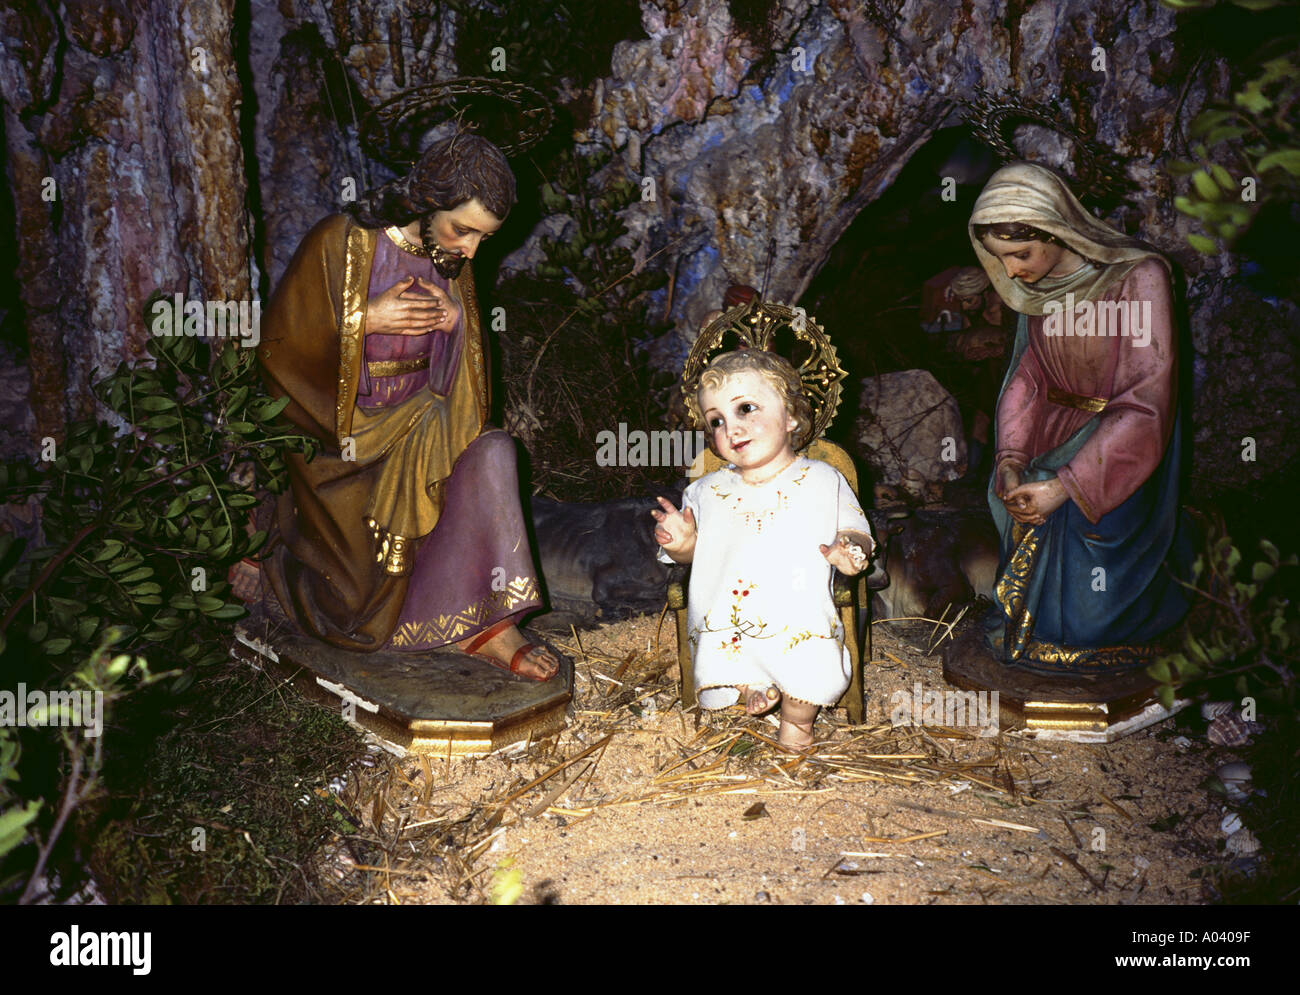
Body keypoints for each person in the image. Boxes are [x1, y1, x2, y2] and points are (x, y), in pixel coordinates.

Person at [257, 132, 558, 680]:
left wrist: (456, 324)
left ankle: (490, 626)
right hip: (341, 439)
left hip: (424, 420)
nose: (470, 249)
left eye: (484, 238)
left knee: (493, 451)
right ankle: (278, 566)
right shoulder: (340, 241)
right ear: (425, 200)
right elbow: (279, 347)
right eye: (462, 229)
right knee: (348, 605)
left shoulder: (451, 263)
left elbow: (467, 381)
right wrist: (360, 320)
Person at [969, 161, 1191, 674]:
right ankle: (1033, 635)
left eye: (1021, 254)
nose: (1013, 273)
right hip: (1049, 437)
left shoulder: (1139, 277)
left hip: (1118, 454)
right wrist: (1011, 458)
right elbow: (1026, 380)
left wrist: (1065, 484)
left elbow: (1146, 401)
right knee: (1026, 560)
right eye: (1001, 259)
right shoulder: (1032, 290)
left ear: (1057, 230)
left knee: (1090, 620)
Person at [650, 350, 875, 749]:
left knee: (808, 654)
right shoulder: (706, 489)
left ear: (790, 416)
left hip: (798, 603)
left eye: (746, 409)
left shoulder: (823, 478)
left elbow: (855, 529)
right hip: (732, 606)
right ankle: (748, 683)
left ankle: (798, 721)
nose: (730, 429)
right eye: (716, 420)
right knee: (724, 631)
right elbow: (691, 557)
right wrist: (683, 544)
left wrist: (850, 549)